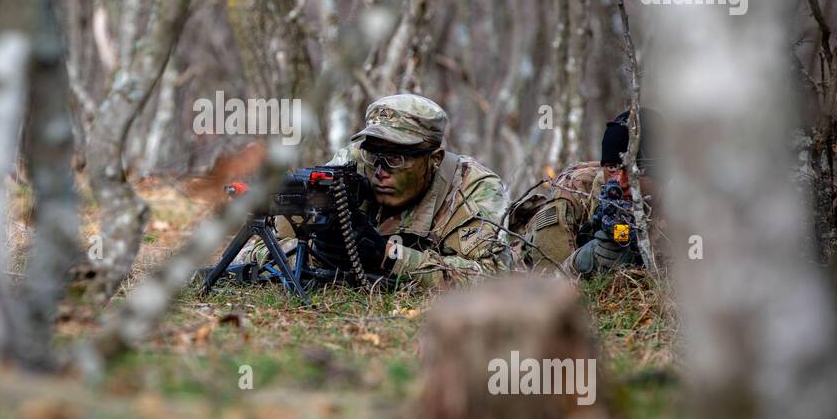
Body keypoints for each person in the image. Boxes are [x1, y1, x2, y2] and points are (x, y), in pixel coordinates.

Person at [238, 93, 510, 288]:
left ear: (434, 159)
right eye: (374, 155)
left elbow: (495, 279)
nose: (380, 171)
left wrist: (389, 257)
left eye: (396, 159)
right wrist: (316, 253)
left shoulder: (474, 189)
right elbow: (255, 249)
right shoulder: (352, 165)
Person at [506, 109, 660, 277]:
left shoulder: (684, 202)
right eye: (612, 167)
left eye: (636, 170)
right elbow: (549, 280)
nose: (621, 182)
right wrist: (582, 261)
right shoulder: (575, 191)